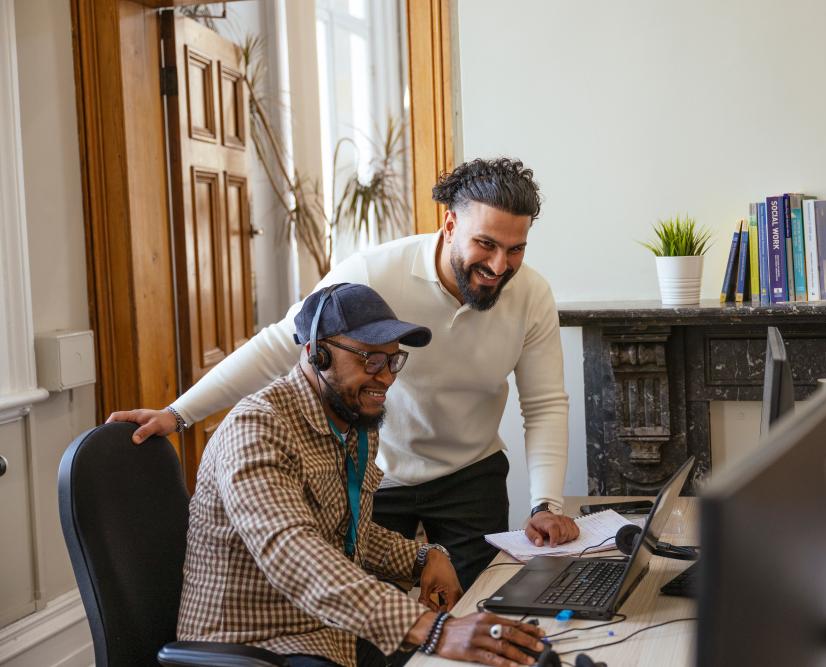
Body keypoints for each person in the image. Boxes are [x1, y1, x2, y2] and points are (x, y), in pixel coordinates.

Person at [108, 157, 579, 589]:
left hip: (471, 475)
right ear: (450, 224)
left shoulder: (532, 295)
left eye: (515, 249)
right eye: (486, 244)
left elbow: (544, 405)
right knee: (371, 624)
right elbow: (281, 342)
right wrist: (180, 413)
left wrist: (545, 504)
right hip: (376, 475)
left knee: (481, 604)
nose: (500, 266)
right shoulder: (373, 274)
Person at [177, 283, 545, 667]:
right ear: (315, 353)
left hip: (330, 632)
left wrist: (424, 557)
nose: (386, 378)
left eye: (392, 361)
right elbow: (294, 552)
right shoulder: (257, 429)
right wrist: (431, 628)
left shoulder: (352, 421)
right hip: (258, 647)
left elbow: (351, 533)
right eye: (369, 359)